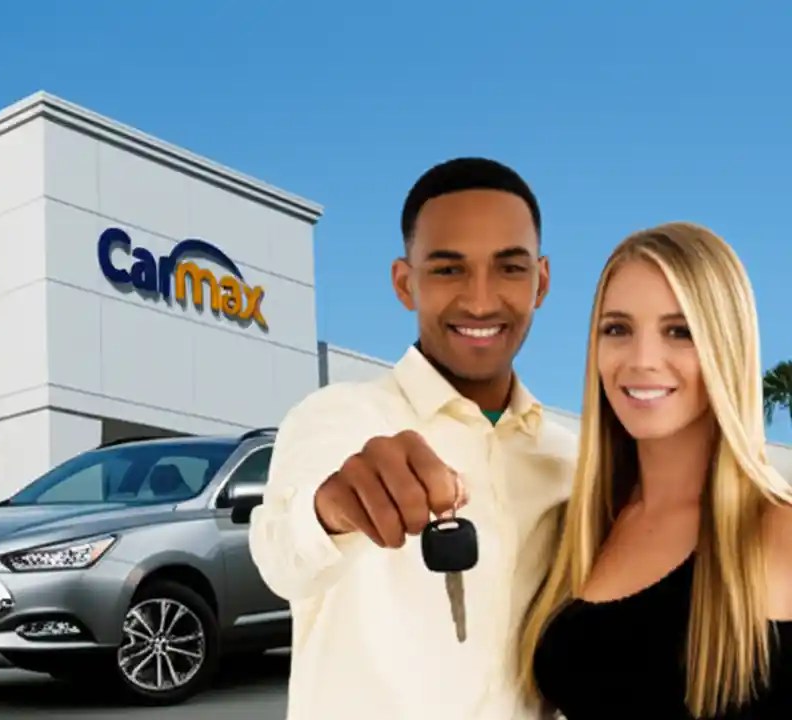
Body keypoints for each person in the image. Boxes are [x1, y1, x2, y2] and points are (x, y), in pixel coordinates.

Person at [248, 156, 579, 719]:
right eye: (449, 270)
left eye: (509, 268)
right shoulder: (336, 417)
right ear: (406, 283)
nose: (480, 300)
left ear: (541, 282)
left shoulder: (573, 459)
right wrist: (334, 508)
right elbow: (282, 562)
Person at [519, 222, 792, 719]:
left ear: (726, 346)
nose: (642, 360)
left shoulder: (777, 532)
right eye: (618, 329)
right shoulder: (582, 527)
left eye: (679, 331)